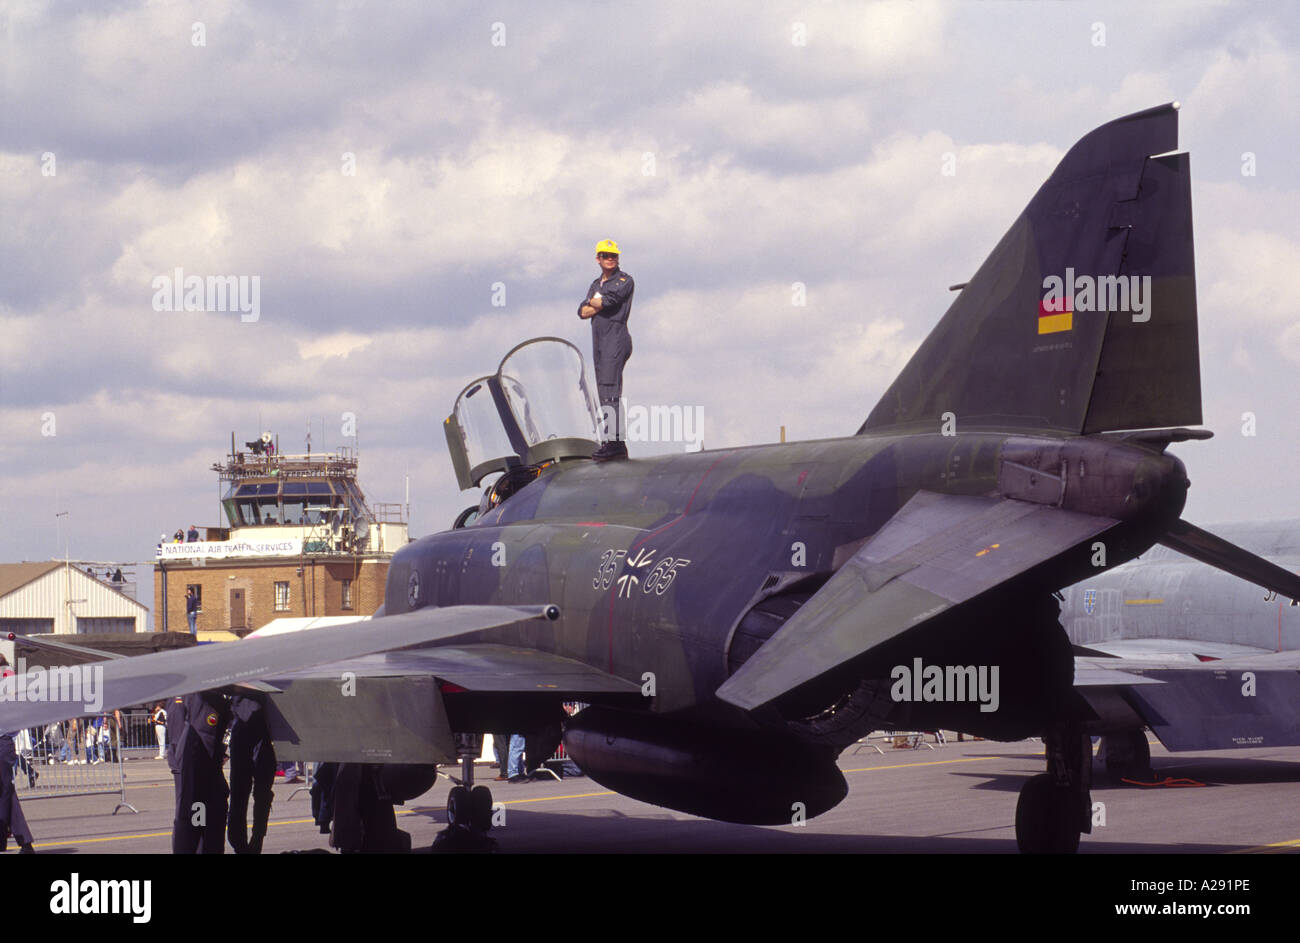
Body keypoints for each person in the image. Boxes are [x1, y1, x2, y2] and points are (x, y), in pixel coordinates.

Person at [578, 239, 635, 461]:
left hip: (616, 336)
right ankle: (611, 440)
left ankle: (616, 443)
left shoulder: (624, 280)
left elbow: (605, 302)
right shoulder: (595, 284)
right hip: (599, 340)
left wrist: (596, 303)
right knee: (603, 390)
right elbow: (582, 311)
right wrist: (595, 303)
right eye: (605, 255)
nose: (610, 259)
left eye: (613, 255)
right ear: (598, 259)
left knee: (611, 390)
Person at [227, 695, 276, 854]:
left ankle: (254, 841)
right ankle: (242, 844)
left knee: (260, 794)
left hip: (263, 730)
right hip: (246, 727)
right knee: (241, 794)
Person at [0, 731, 35, 853]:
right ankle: (25, 841)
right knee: (7, 795)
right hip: (4, 744)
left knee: (5, 794)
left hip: (2, 743)